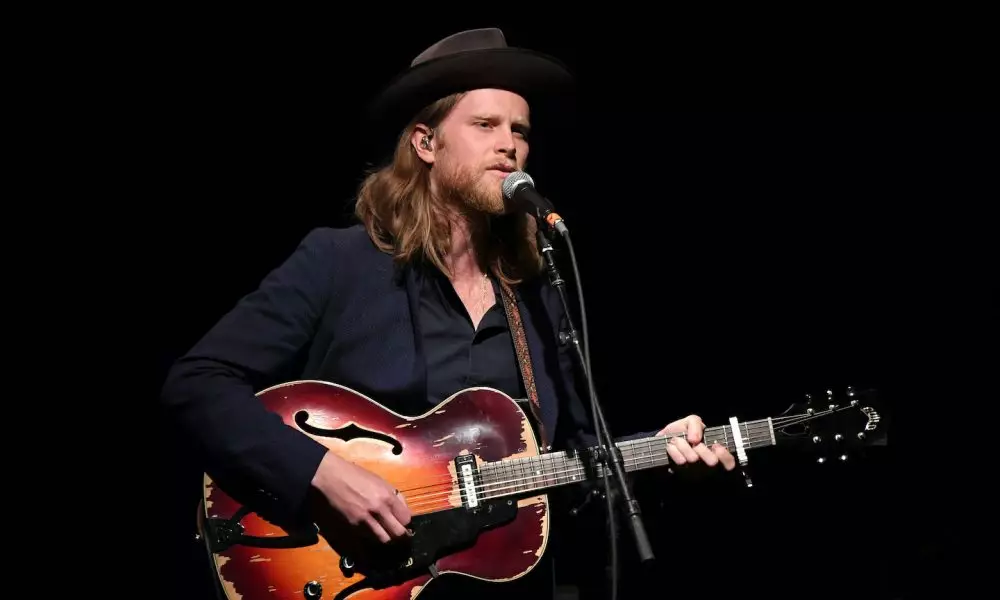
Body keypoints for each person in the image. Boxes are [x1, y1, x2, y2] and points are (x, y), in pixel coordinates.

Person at [160, 27, 736, 600]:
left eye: (520, 130)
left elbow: (578, 464)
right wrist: (322, 474)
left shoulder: (537, 294)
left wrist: (661, 455)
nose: (509, 144)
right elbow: (196, 384)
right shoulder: (339, 262)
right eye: (485, 125)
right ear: (425, 143)